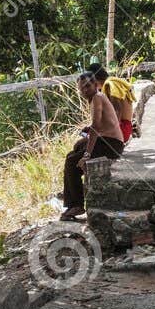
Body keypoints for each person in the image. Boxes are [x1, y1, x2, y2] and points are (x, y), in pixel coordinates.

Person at [61, 72, 126, 220]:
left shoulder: (97, 97)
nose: (85, 90)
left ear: (95, 85)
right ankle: (72, 202)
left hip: (112, 144)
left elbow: (96, 127)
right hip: (106, 140)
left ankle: (76, 205)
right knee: (75, 149)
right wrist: (87, 131)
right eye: (81, 88)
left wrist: (87, 155)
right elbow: (98, 125)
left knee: (72, 162)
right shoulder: (94, 99)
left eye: (88, 86)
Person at [89, 62, 136, 143]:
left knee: (84, 142)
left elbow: (117, 110)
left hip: (121, 129)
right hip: (125, 127)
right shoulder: (113, 82)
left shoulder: (110, 84)